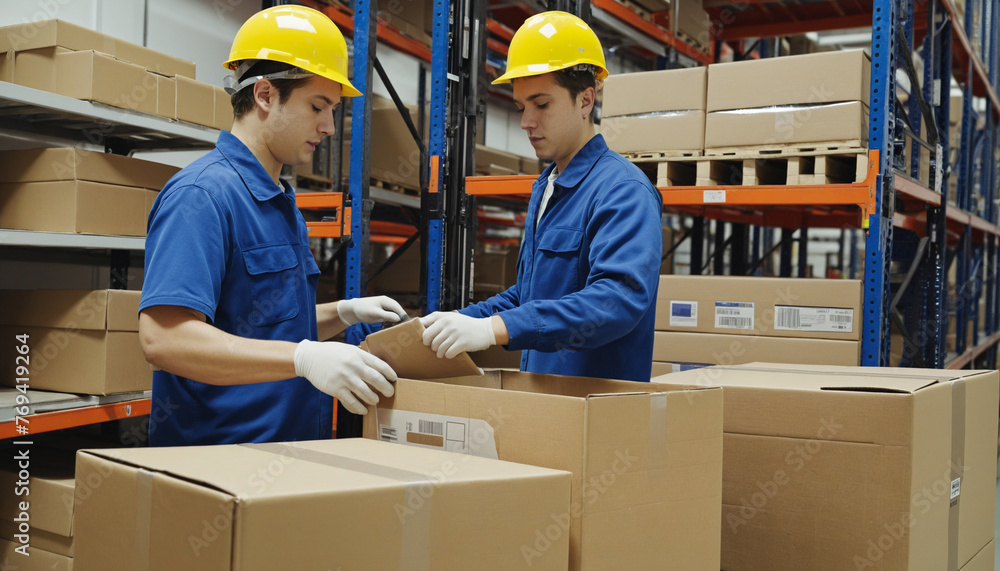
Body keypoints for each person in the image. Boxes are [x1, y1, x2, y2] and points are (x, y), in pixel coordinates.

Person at [138, 5, 403, 446]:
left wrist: (343, 312)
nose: (328, 127)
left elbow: (266, 326)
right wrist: (303, 358)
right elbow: (164, 339)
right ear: (264, 94)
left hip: (284, 456)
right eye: (317, 106)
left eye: (333, 109)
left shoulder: (279, 200)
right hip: (218, 464)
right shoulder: (202, 196)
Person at [420, 11, 663, 383]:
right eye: (521, 107)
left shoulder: (623, 190)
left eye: (542, 104)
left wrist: (494, 330)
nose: (525, 122)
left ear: (585, 101)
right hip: (544, 400)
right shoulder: (547, 186)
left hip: (596, 406)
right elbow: (529, 295)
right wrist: (461, 320)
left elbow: (617, 300)